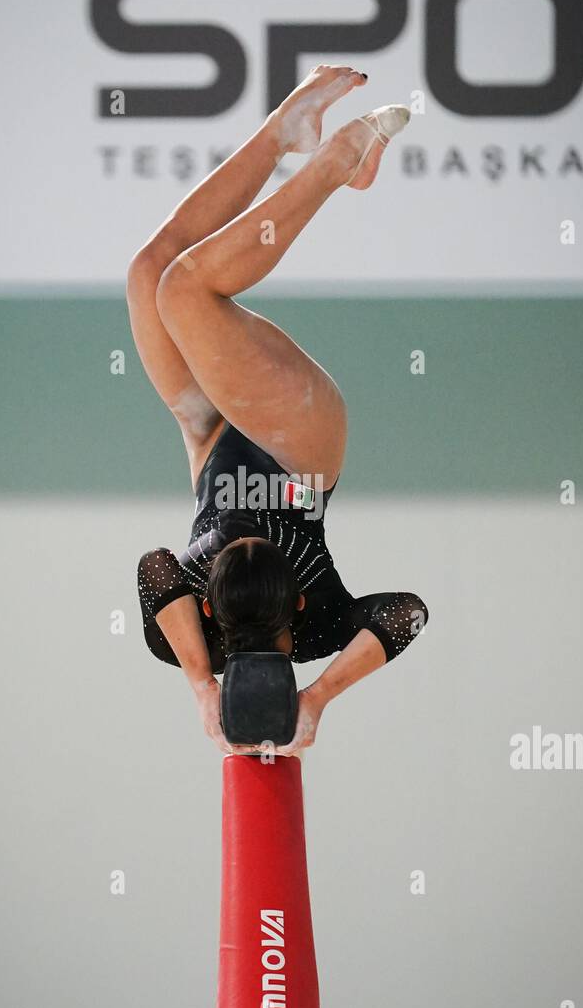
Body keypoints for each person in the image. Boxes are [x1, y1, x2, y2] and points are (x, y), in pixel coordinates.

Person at [128, 65, 428, 756]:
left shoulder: (192, 633)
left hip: (210, 436)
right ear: (296, 603)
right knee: (185, 293)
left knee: (150, 273)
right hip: (300, 449)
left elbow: (154, 567)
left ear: (210, 604)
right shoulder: (321, 624)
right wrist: (316, 698)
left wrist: (202, 685)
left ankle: (284, 136)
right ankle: (337, 162)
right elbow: (406, 613)